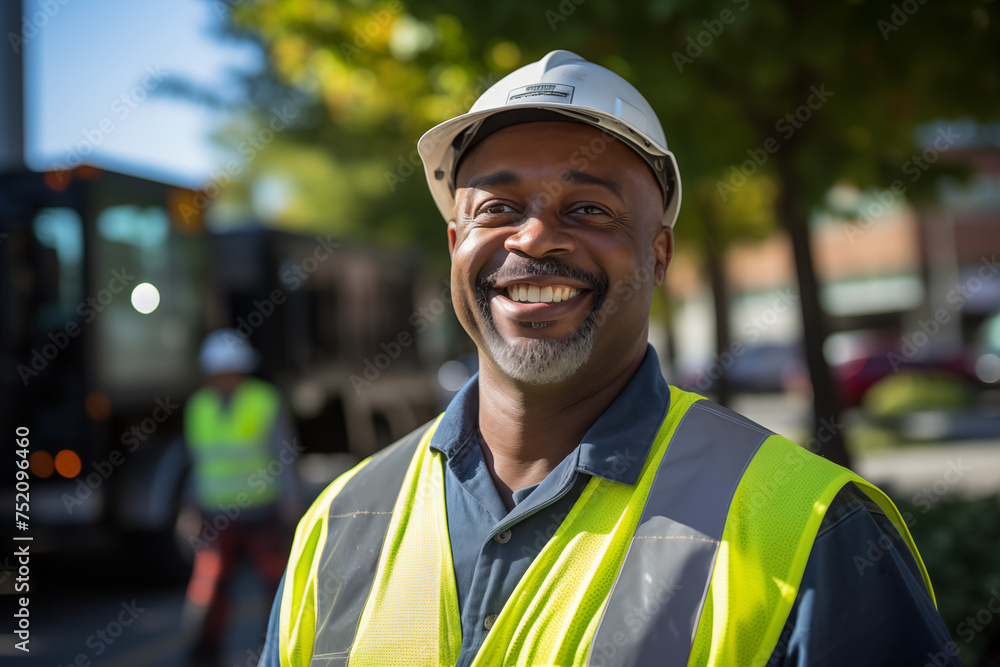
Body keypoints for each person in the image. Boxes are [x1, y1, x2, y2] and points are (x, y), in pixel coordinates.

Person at [260, 51, 960, 666]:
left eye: (589, 209)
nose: (534, 238)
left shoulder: (813, 529)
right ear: (454, 248)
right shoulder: (338, 524)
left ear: (658, 256)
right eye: (498, 208)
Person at [183, 329, 300, 667]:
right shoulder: (198, 407)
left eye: (230, 372)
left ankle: (278, 653)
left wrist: (290, 501)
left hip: (262, 512)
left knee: (278, 587)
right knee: (208, 590)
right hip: (215, 515)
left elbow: (284, 454)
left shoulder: (264, 400)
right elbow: (197, 461)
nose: (224, 379)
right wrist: (189, 507)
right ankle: (204, 655)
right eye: (218, 373)